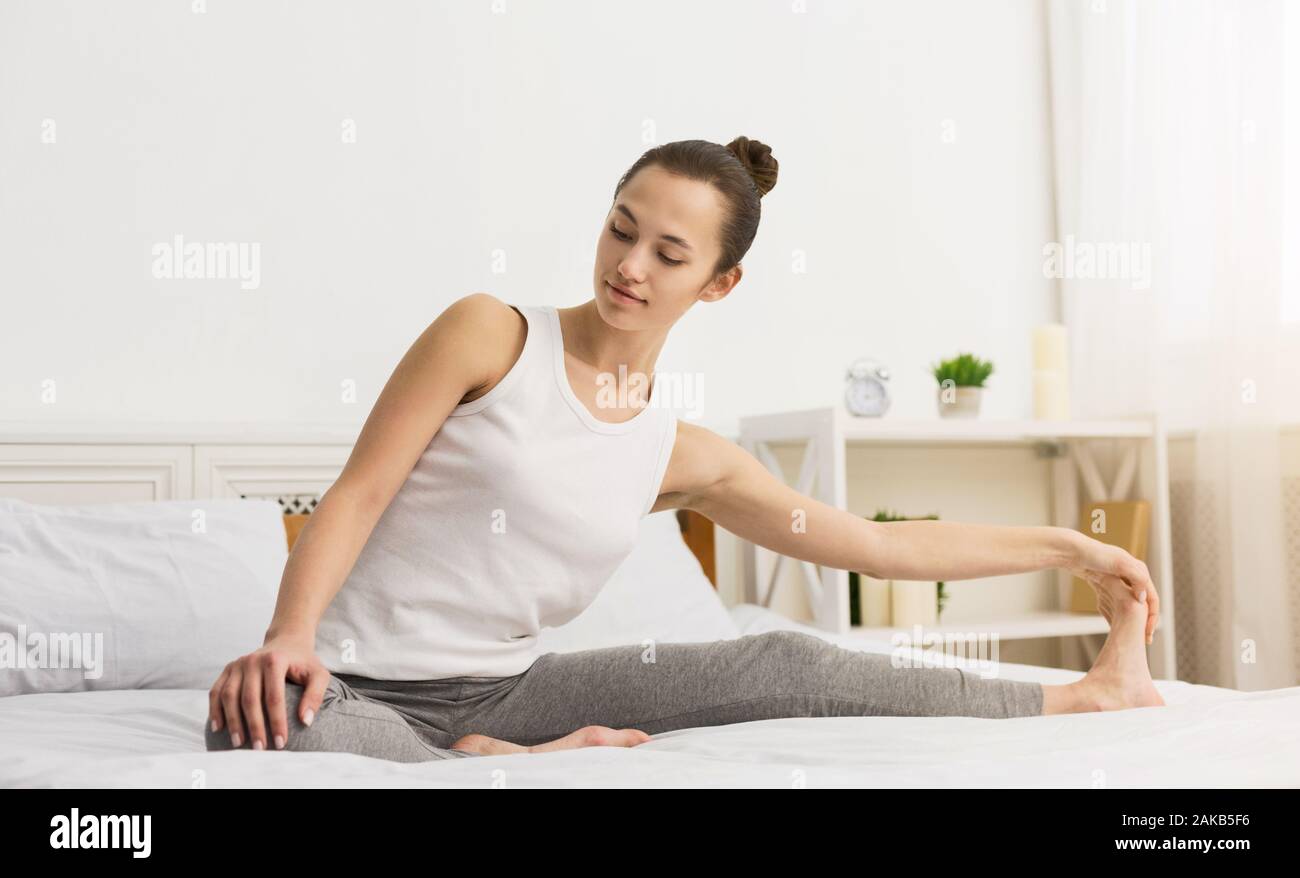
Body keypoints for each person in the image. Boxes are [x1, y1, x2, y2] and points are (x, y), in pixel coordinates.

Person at [204, 137, 1163, 762]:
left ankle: (1083, 700)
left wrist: (1072, 548)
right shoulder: (487, 336)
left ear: (720, 282)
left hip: (507, 694)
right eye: (623, 229)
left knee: (786, 659)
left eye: (669, 254)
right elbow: (359, 493)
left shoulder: (682, 454)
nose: (630, 265)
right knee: (265, 726)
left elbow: (885, 548)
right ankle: (498, 771)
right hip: (343, 689)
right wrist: (290, 636)